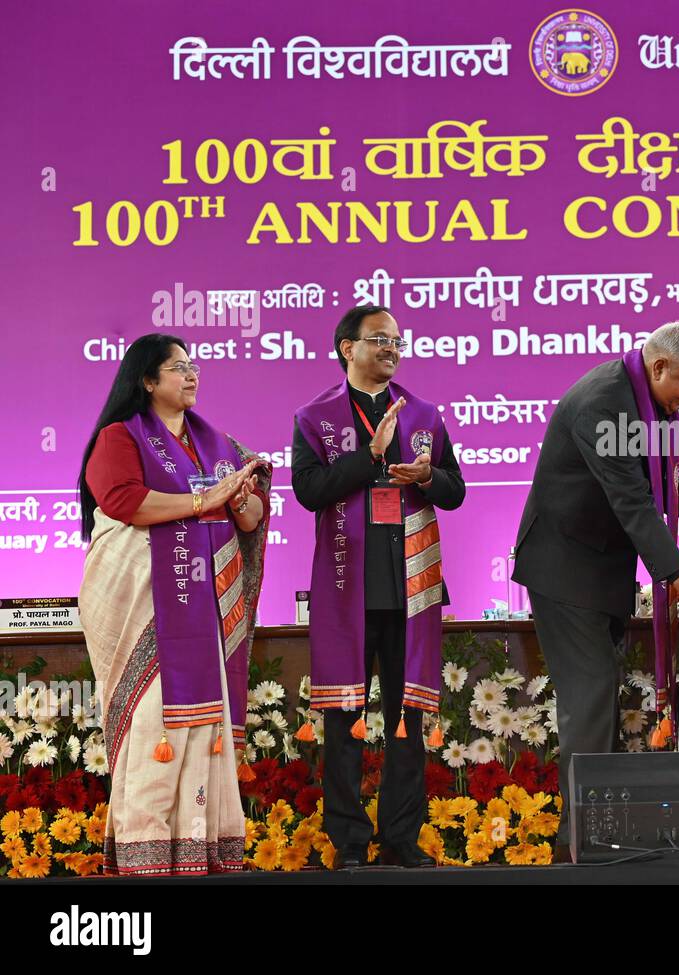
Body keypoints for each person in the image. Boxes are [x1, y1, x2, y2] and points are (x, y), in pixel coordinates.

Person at [512, 321, 679, 855]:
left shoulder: (640, 395)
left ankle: (598, 835)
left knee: (599, 698)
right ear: (658, 368)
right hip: (565, 570)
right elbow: (630, 499)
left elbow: (641, 475)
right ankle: (578, 846)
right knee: (589, 702)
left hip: (600, 569)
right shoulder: (603, 403)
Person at [77, 334, 270, 875]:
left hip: (199, 606)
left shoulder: (217, 444)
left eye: (194, 365)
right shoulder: (120, 437)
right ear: (147, 380)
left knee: (200, 726)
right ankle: (146, 853)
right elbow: (122, 501)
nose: (192, 375)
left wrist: (239, 498)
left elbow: (250, 518)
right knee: (151, 722)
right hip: (144, 608)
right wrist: (199, 501)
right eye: (178, 367)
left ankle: (198, 850)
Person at [292, 304, 465, 869]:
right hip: (348, 590)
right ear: (348, 347)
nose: (392, 349)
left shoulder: (424, 415)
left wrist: (429, 477)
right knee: (344, 723)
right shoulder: (314, 417)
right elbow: (311, 491)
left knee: (407, 721)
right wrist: (369, 456)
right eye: (379, 340)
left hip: (410, 589)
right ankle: (347, 843)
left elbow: (455, 489)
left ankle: (400, 837)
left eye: (397, 340)